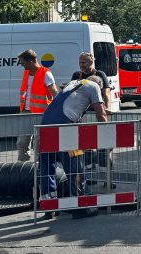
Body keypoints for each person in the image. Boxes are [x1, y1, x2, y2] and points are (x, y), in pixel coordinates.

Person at [40, 75, 106, 219]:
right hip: (65, 127)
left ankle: (49, 207)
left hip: (44, 125)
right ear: (99, 85)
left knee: (46, 167)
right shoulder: (94, 86)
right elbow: (100, 114)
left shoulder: (72, 84)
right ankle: (79, 206)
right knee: (75, 167)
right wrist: (106, 135)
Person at [17, 49, 58, 161]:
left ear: (31, 61)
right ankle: (22, 167)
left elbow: (55, 94)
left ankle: (40, 168)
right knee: (22, 142)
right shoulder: (26, 72)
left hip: (41, 114)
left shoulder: (46, 73)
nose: (21, 65)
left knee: (40, 144)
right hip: (26, 111)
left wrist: (53, 113)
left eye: (23, 62)